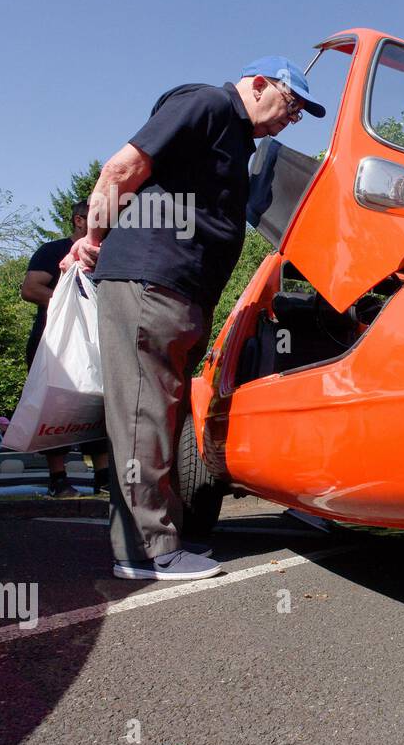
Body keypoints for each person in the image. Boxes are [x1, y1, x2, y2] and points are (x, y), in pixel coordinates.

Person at [61, 56, 324, 580]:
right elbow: (122, 167)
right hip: (150, 280)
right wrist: (92, 238)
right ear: (257, 84)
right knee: (144, 416)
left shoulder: (236, 139)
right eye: (290, 105)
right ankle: (144, 552)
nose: (289, 119)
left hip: (180, 292)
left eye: (297, 115)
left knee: (162, 414)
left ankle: (163, 539)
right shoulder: (206, 102)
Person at [21, 199, 111, 497]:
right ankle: (58, 480)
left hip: (96, 341)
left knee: (99, 401)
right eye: (97, 217)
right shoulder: (51, 251)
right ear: (79, 220)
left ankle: (103, 476)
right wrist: (71, 302)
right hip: (55, 342)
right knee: (55, 403)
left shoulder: (106, 255)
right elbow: (30, 288)